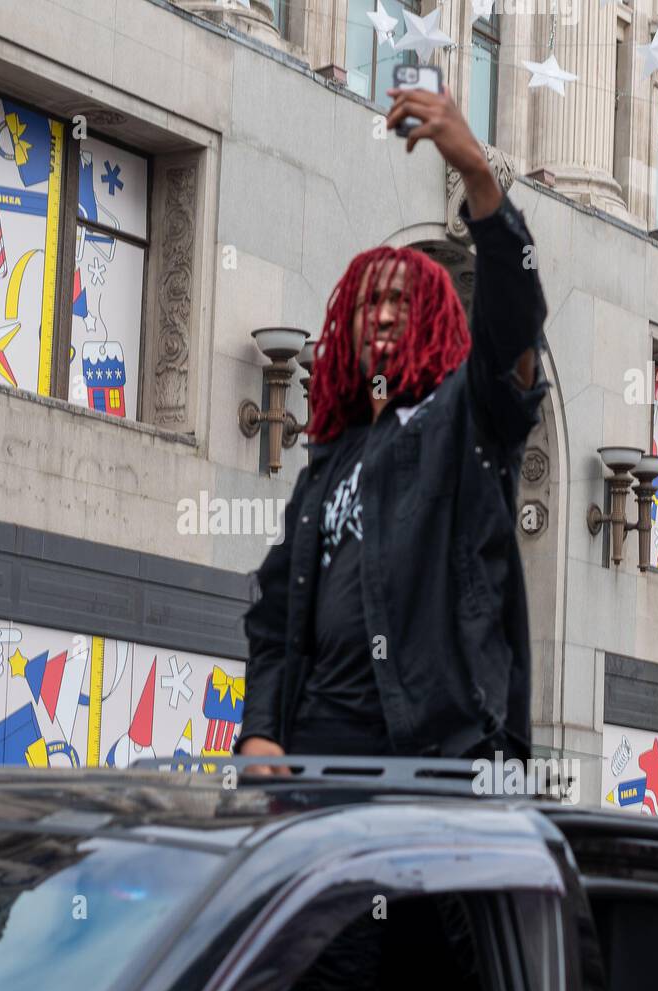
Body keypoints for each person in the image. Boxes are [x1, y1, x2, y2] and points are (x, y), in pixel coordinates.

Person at [236, 83, 549, 771]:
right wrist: (262, 730)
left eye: (402, 302)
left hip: (432, 757)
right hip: (314, 756)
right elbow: (273, 615)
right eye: (368, 302)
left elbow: (513, 322)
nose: (381, 315)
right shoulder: (331, 462)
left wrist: (477, 177)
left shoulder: (467, 420)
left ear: (436, 319)